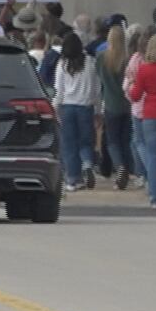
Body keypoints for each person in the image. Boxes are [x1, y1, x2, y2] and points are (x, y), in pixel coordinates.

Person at [51, 31, 101, 191]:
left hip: (67, 107)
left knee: (69, 144)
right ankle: (87, 164)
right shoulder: (90, 63)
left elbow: (59, 90)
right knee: (86, 141)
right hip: (86, 107)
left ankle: (73, 179)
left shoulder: (62, 64)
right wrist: (98, 110)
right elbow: (97, 89)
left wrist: (54, 108)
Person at [129, 32, 156, 206]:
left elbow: (135, 95)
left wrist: (132, 84)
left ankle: (155, 198)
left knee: (154, 157)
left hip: (150, 115)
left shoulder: (144, 69)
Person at [99, 24, 139, 191]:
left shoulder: (101, 58)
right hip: (127, 104)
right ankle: (130, 169)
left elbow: (100, 80)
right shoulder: (128, 59)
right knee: (126, 139)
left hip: (110, 103)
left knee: (112, 140)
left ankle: (119, 166)